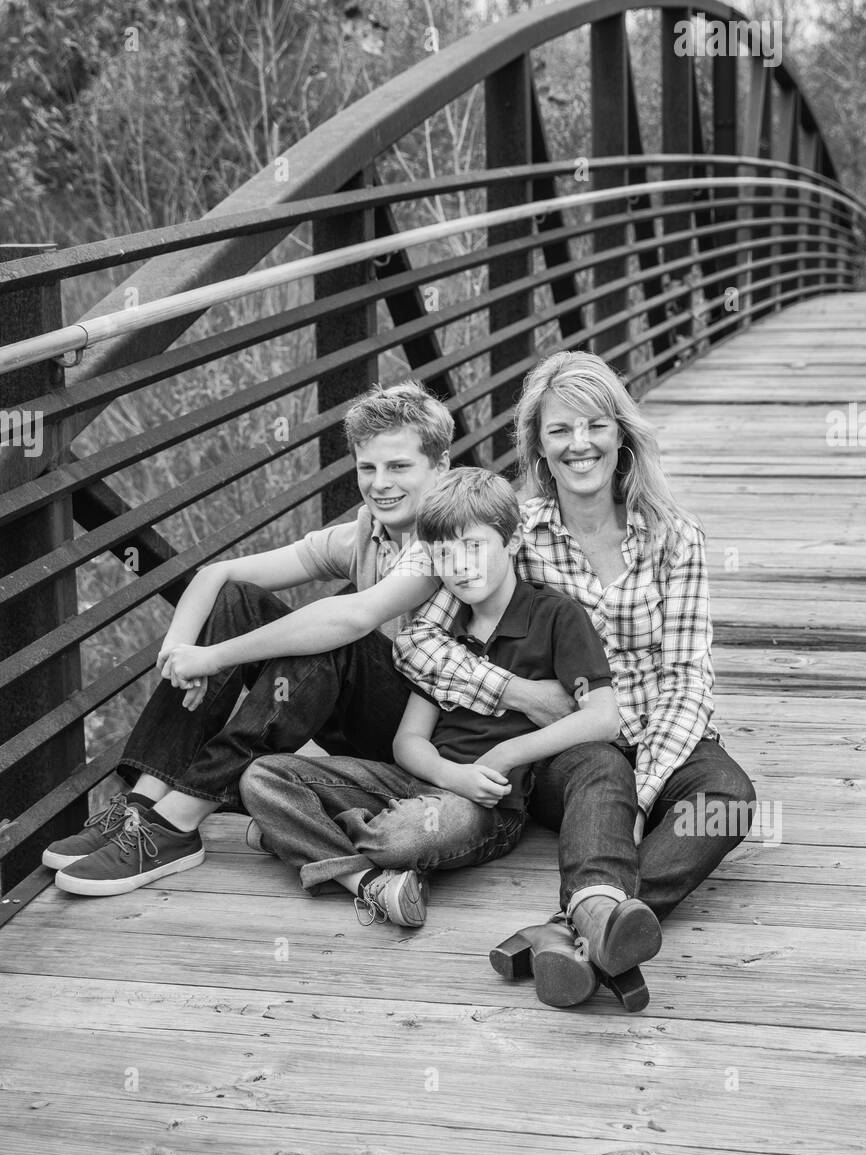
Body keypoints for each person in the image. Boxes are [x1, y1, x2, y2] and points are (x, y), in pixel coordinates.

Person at [392, 351, 757, 997]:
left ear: (621, 434)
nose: (579, 443)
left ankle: (576, 927)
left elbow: (687, 679)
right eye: (559, 429)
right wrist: (513, 691)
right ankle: (600, 924)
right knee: (600, 767)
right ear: (538, 445)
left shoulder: (677, 538)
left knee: (727, 803)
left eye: (594, 425)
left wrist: (646, 793)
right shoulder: (513, 532)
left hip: (665, 730)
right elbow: (419, 640)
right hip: (573, 749)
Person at [239, 468, 646, 1009]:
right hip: (421, 780)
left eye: (475, 547)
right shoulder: (441, 635)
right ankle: (359, 877)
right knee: (264, 774)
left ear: (513, 541)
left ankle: (295, 834)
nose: (461, 566)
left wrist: (497, 758)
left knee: (404, 839)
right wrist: (446, 773)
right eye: (445, 555)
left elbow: (603, 719)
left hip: (482, 806)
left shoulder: (554, 617)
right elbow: (410, 741)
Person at [46, 380, 452, 896]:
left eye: (399, 467)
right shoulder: (367, 532)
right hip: (374, 727)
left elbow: (352, 619)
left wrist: (214, 657)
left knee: (332, 637)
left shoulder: (452, 534)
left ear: (439, 468)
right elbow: (219, 576)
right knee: (239, 599)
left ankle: (180, 820)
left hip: (434, 742)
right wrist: (178, 655)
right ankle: (146, 804)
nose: (379, 484)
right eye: (366, 468)